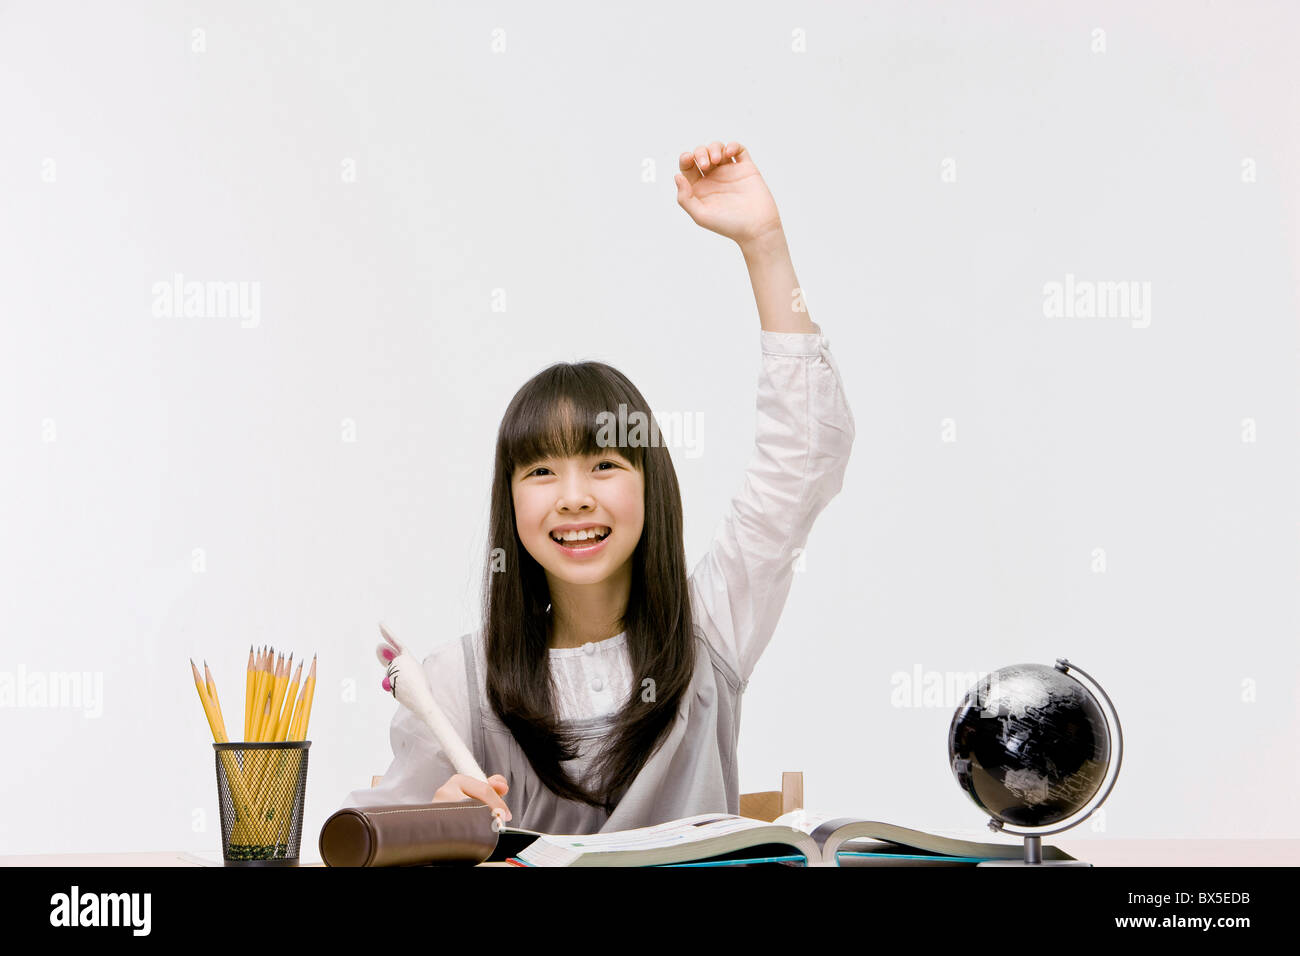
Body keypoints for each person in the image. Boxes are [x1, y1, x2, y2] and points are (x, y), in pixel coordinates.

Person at [337, 140, 856, 834]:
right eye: (542, 472)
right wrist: (435, 824)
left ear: (653, 487)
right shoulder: (456, 682)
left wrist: (764, 245)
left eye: (605, 465)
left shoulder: (714, 629)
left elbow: (806, 455)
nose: (574, 496)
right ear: (510, 503)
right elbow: (362, 841)